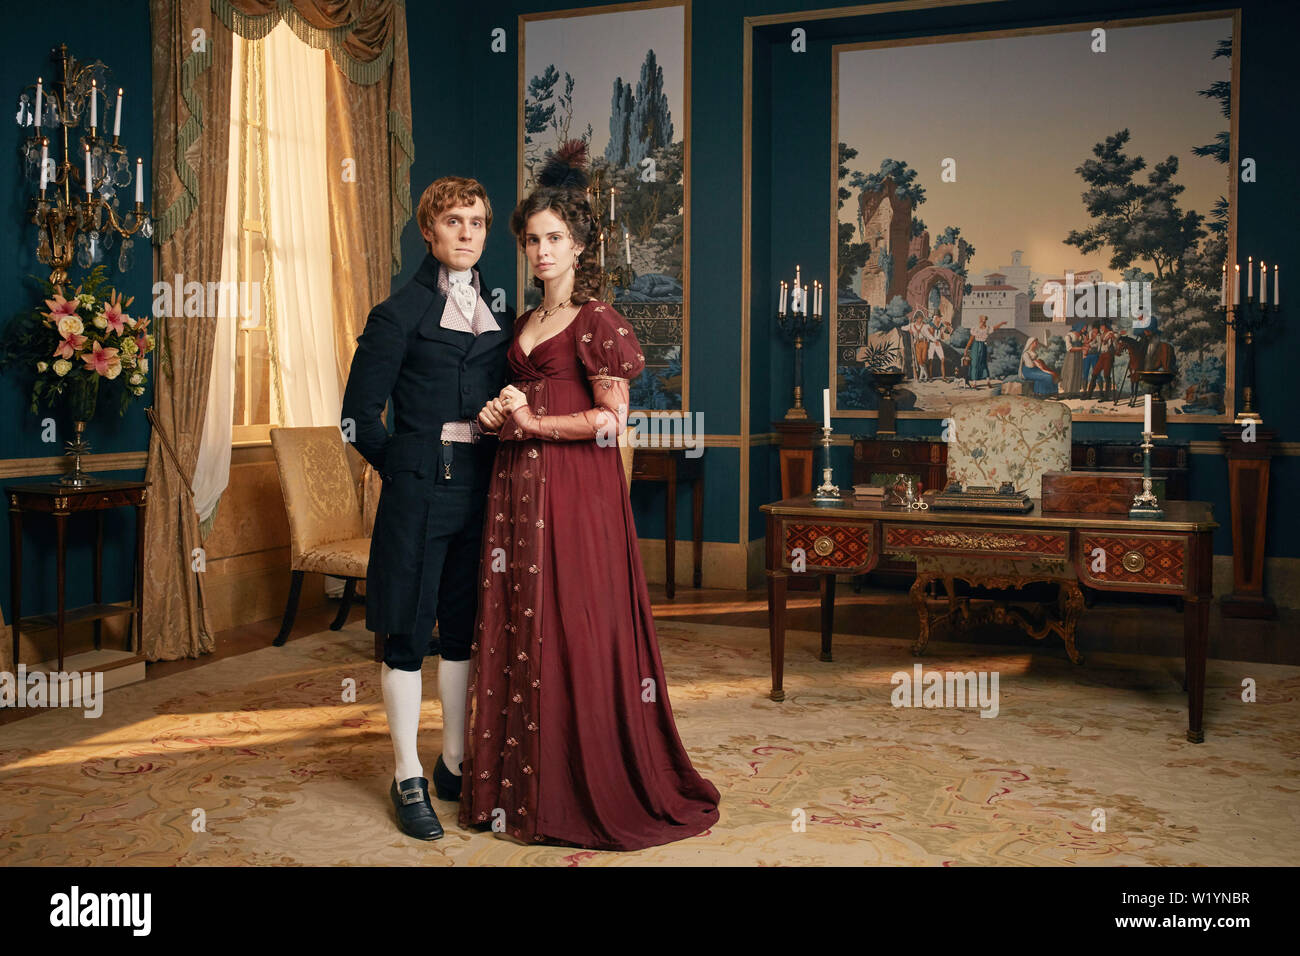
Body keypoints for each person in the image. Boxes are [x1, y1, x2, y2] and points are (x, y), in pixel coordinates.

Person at [460, 141, 721, 850]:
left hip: (576, 491)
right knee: (523, 621)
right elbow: (515, 402)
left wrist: (535, 423)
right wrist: (494, 418)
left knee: (571, 621)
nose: (540, 251)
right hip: (516, 487)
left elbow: (612, 422)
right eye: (531, 240)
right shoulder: (521, 322)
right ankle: (518, 788)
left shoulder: (598, 319)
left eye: (553, 239)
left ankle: (578, 788)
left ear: (579, 244)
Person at [340, 177, 515, 841]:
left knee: (466, 629)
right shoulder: (396, 314)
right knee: (410, 634)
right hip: (419, 489)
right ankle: (407, 772)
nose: (466, 233)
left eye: (477, 222)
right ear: (428, 232)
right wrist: (408, 469)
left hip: (485, 487)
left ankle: (453, 761)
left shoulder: (502, 314)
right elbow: (357, 419)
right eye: (453, 221)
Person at [962, 314, 1005, 388]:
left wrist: (1001, 324)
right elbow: (971, 338)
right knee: (977, 363)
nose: (982, 322)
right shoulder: (976, 328)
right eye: (982, 320)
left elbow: (994, 328)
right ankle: (978, 382)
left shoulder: (986, 328)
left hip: (981, 346)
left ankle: (984, 381)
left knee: (980, 363)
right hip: (978, 345)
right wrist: (966, 348)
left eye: (983, 320)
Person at [1060, 322, 1085, 396]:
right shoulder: (1069, 336)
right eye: (1083, 327)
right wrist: (1082, 348)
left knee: (1077, 372)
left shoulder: (1081, 336)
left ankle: (1075, 391)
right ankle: (1068, 392)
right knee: (1071, 372)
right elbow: (1070, 349)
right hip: (1071, 356)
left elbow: (1083, 343)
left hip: (1079, 356)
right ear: (1079, 327)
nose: (1085, 328)